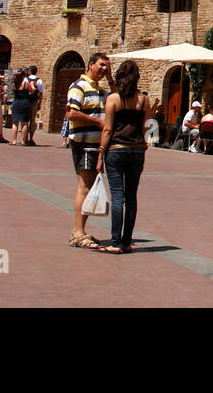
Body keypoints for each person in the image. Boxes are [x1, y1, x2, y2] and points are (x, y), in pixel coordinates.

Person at [97, 61, 158, 253]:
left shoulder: (113, 99)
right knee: (131, 196)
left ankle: (115, 242)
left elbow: (107, 129)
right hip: (137, 150)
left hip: (116, 149)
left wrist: (100, 153)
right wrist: (143, 146)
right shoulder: (143, 100)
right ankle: (126, 241)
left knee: (117, 196)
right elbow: (145, 127)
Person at [65, 51, 110, 250]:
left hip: (94, 146)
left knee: (90, 188)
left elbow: (117, 99)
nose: (104, 69)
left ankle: (80, 230)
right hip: (83, 144)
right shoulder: (78, 87)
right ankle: (77, 232)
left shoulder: (100, 90)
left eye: (106, 66)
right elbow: (71, 113)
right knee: (84, 187)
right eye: (101, 65)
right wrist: (97, 122)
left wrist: (111, 79)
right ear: (90, 64)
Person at [10, 69, 34, 145]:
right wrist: (32, 84)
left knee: (15, 122)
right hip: (24, 102)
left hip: (16, 102)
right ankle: (23, 141)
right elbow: (32, 90)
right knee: (24, 123)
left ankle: (14, 140)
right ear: (23, 75)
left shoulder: (14, 83)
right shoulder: (26, 82)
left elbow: (11, 91)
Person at [26, 66, 44, 143]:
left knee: (25, 120)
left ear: (29, 71)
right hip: (34, 101)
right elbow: (41, 93)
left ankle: (24, 138)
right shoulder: (39, 81)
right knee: (33, 120)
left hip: (26, 101)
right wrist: (40, 103)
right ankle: (31, 138)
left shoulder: (25, 79)